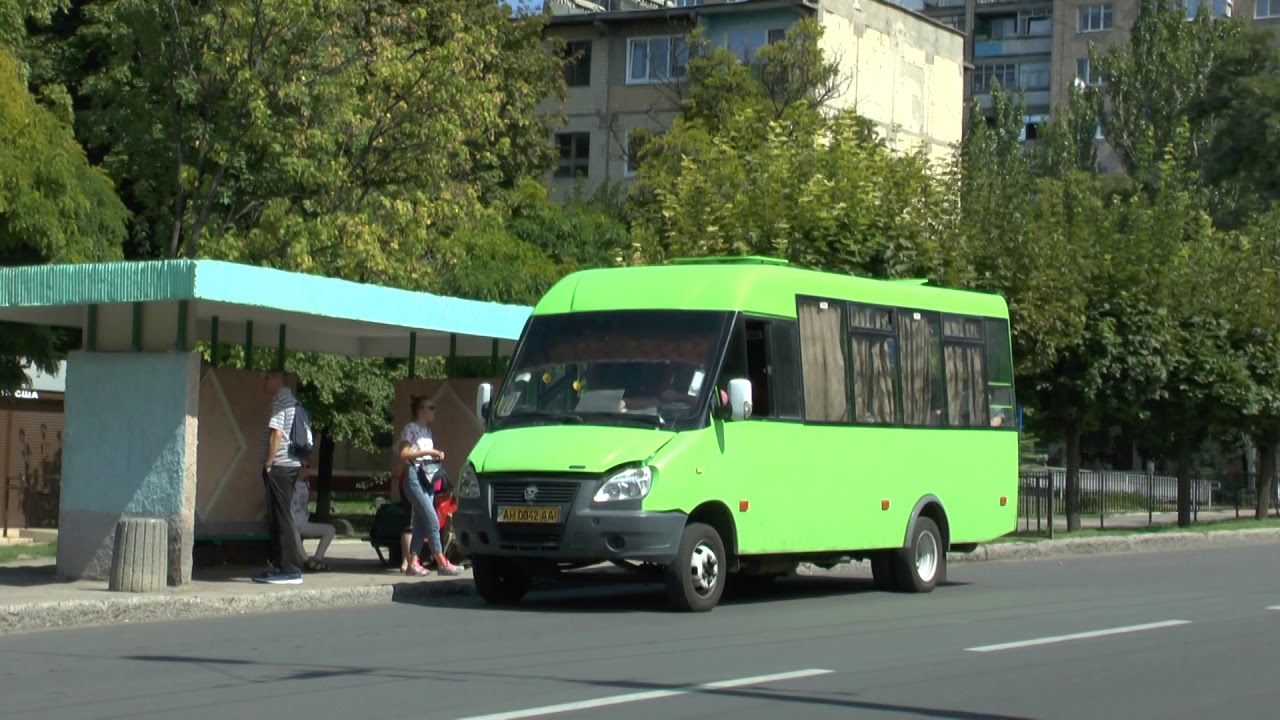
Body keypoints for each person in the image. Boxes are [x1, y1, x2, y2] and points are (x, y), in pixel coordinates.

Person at [398, 396, 464, 577]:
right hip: (414, 476)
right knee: (432, 519)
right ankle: (442, 562)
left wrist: (435, 455)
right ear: (421, 410)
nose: (434, 411)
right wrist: (429, 452)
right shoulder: (411, 428)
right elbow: (404, 453)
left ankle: (413, 563)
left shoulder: (427, 431)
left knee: (421, 522)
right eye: (431, 408)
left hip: (428, 477)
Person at [254, 370, 308, 585]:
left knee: (281, 516)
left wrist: (269, 463)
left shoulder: (281, 402)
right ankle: (278, 565)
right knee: (278, 516)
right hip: (290, 465)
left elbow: (276, 433)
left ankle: (289, 569)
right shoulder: (292, 401)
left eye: (267, 378)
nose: (264, 382)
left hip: (280, 465)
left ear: (277, 380)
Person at [292, 476, 335, 572]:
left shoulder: (306, 484)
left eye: (307, 468)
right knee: (293, 528)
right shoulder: (290, 483)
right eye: (302, 467)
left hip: (303, 522)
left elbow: (308, 497)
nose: (305, 469)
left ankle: (317, 560)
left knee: (330, 529)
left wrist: (314, 496)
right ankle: (306, 560)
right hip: (291, 522)